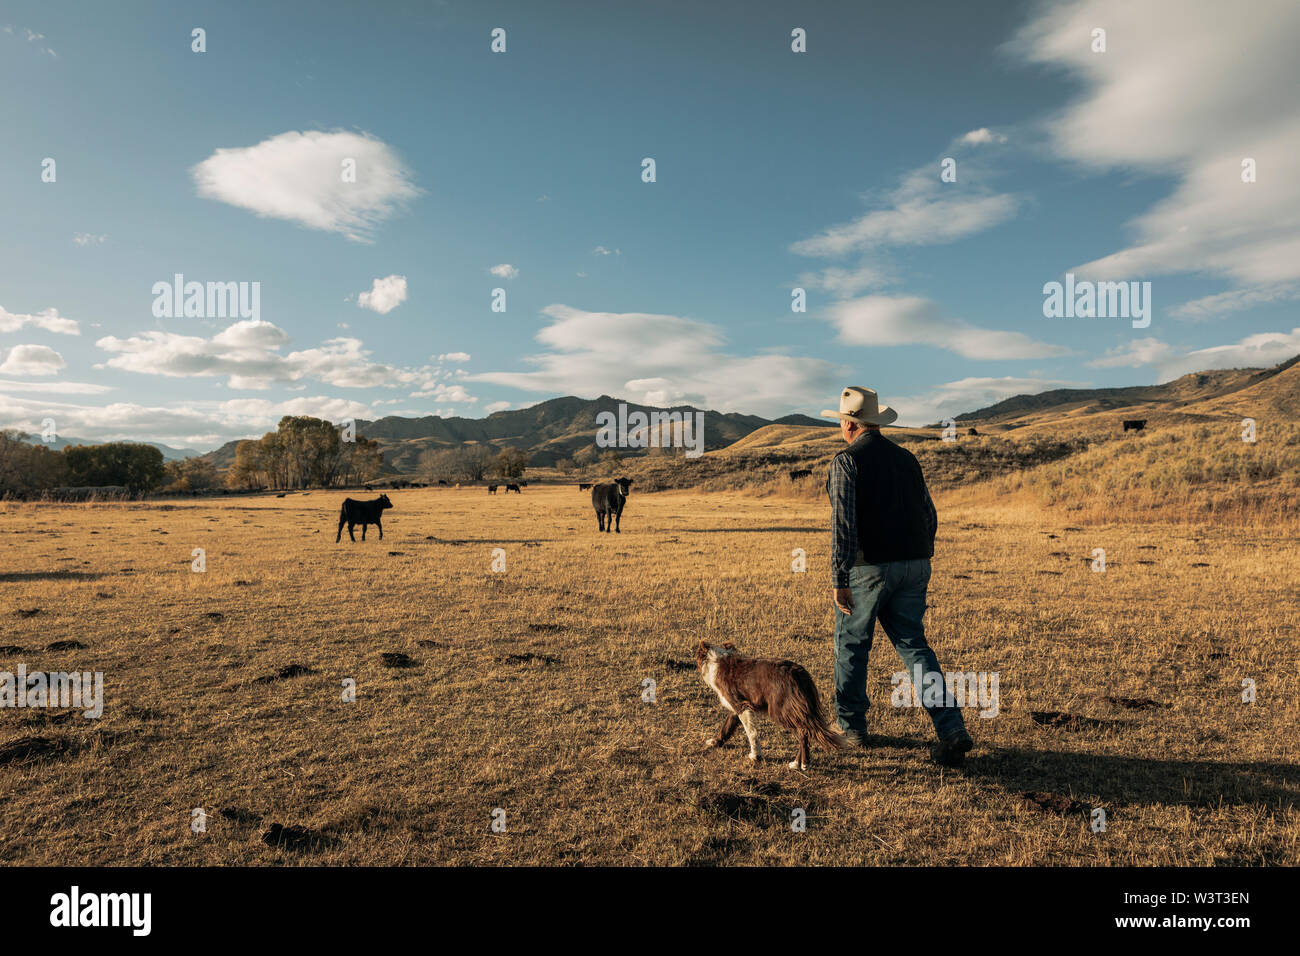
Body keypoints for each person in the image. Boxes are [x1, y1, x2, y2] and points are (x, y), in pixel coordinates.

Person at [822, 386, 974, 766]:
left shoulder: (846, 462)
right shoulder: (907, 459)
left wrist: (840, 577)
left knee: (852, 646)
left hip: (869, 568)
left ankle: (851, 728)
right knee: (913, 646)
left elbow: (844, 526)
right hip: (915, 563)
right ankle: (951, 726)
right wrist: (921, 554)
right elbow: (929, 514)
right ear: (875, 423)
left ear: (848, 424)